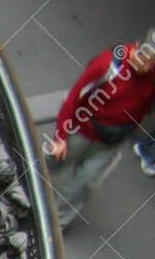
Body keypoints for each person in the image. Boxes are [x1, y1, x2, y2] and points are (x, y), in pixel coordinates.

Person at [47, 33, 155, 230]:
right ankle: (19, 185)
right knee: (52, 162)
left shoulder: (151, 74)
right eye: (145, 61)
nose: (147, 68)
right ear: (138, 49)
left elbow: (144, 106)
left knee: (85, 182)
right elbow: (74, 97)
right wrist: (60, 137)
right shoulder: (108, 64)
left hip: (111, 141)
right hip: (82, 130)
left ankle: (56, 224)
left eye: (151, 64)